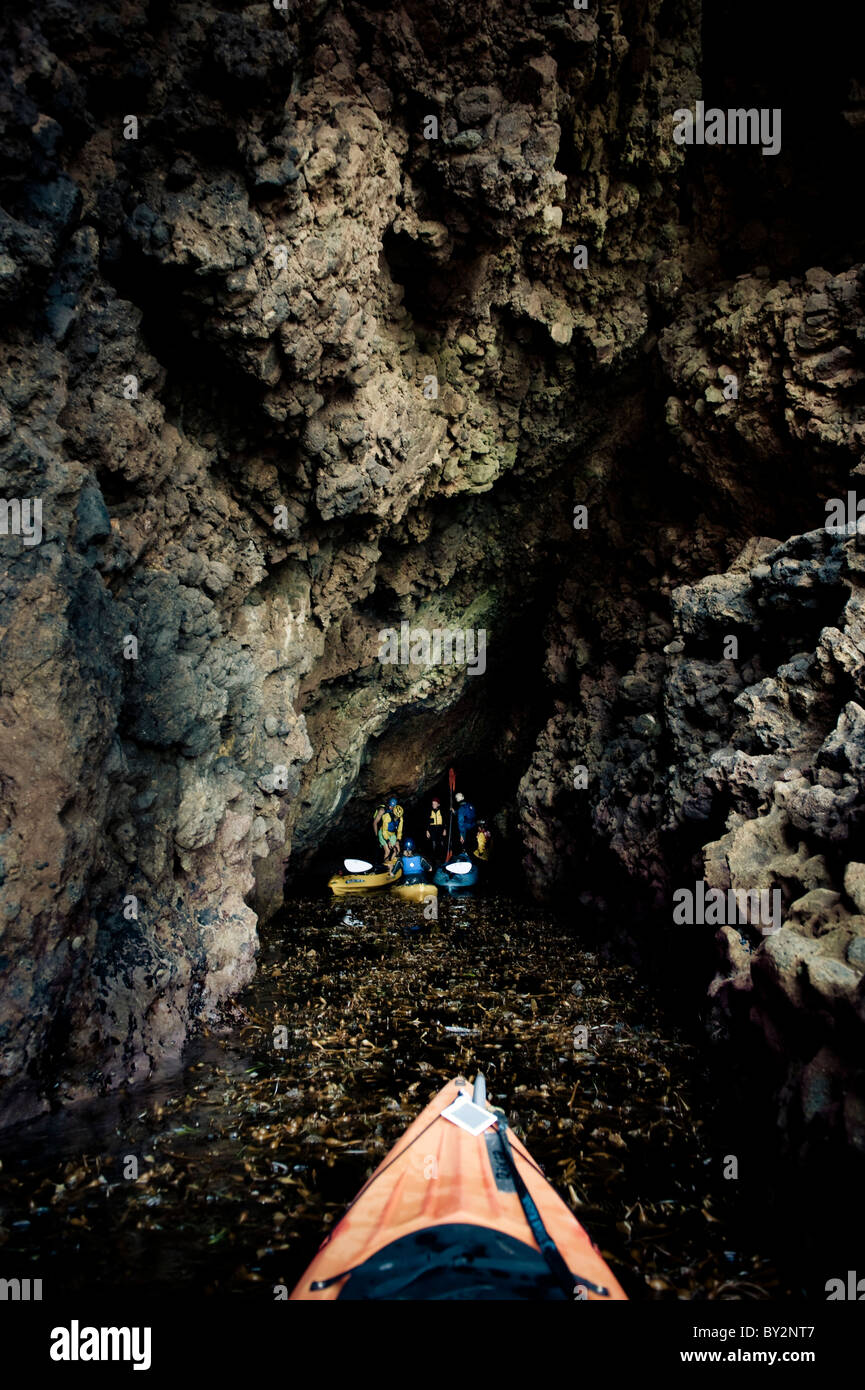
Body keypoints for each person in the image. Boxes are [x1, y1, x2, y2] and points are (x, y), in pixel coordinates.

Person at [426, 797, 444, 862]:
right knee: (433, 844)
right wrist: (427, 831)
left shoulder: (442, 811)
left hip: (440, 828)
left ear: (438, 804)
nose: (433, 804)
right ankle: (434, 858)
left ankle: (442, 857)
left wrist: (445, 829)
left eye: (434, 803)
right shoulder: (430, 811)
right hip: (432, 829)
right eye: (432, 803)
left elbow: (445, 821)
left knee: (441, 843)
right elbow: (428, 822)